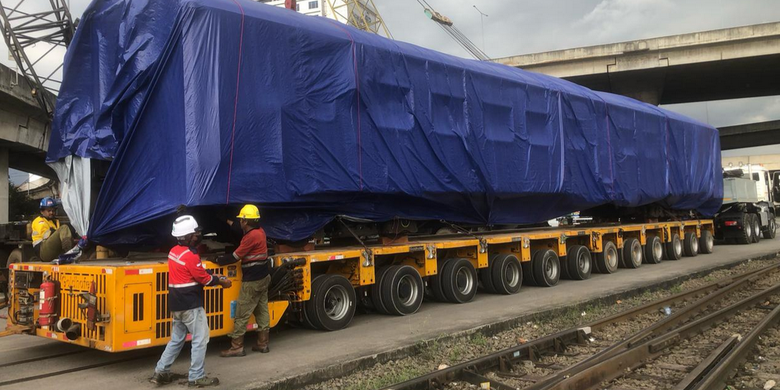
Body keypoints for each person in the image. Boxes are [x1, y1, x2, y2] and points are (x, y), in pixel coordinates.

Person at [151, 215, 232, 387]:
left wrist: (211, 276)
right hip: (190, 305)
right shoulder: (190, 255)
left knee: (177, 339)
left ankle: (161, 372)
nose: (198, 236)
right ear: (188, 236)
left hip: (176, 303)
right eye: (195, 234)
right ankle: (196, 376)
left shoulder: (173, 251)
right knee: (200, 339)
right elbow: (203, 278)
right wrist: (221, 281)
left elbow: (192, 275)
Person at [216, 204, 271, 357]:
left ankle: (236, 347)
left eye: (241, 219)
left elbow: (235, 256)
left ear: (246, 222)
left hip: (252, 280)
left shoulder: (250, 237)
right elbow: (237, 229)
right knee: (262, 311)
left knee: (241, 313)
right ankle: (263, 344)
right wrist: (227, 221)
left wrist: (219, 260)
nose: (239, 221)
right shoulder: (260, 232)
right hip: (263, 277)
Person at [31, 197, 76, 262]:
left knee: (67, 232)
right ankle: (68, 253)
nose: (51, 212)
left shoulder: (54, 221)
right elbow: (46, 235)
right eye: (49, 211)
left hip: (50, 250)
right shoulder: (39, 221)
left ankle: (71, 252)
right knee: (64, 227)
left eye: (53, 210)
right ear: (42, 211)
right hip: (43, 250)